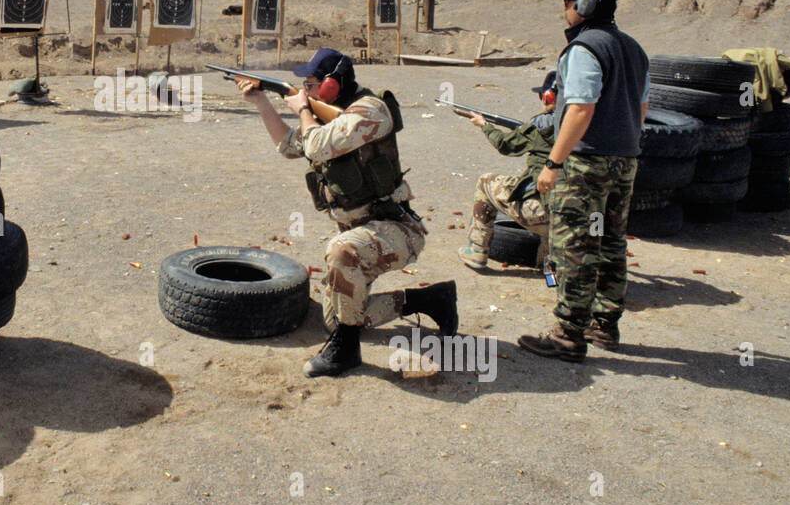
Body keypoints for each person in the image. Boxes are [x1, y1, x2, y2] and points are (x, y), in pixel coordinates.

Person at [237, 48, 458, 377]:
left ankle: (346, 351)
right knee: (336, 317)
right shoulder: (327, 116)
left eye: (311, 84)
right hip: (363, 234)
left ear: (329, 85)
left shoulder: (371, 110)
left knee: (342, 251)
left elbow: (316, 145)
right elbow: (287, 146)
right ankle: (428, 300)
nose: (307, 91)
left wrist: (302, 110)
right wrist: (261, 101)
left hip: (395, 230)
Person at [518, 0, 649, 362]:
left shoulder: (584, 48)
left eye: (569, 1)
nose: (565, 8)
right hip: (624, 160)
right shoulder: (634, 49)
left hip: (586, 163)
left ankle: (568, 333)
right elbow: (640, 110)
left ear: (586, 6)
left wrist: (554, 162)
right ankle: (604, 325)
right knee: (611, 241)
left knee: (575, 244)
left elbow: (580, 108)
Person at [457, 71, 557, 270]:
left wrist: (484, 125)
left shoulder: (542, 125)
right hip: (574, 216)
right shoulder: (586, 127)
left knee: (486, 182)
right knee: (553, 201)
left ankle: (477, 250)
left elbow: (505, 145)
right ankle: (549, 268)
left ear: (549, 96)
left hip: (539, 213)